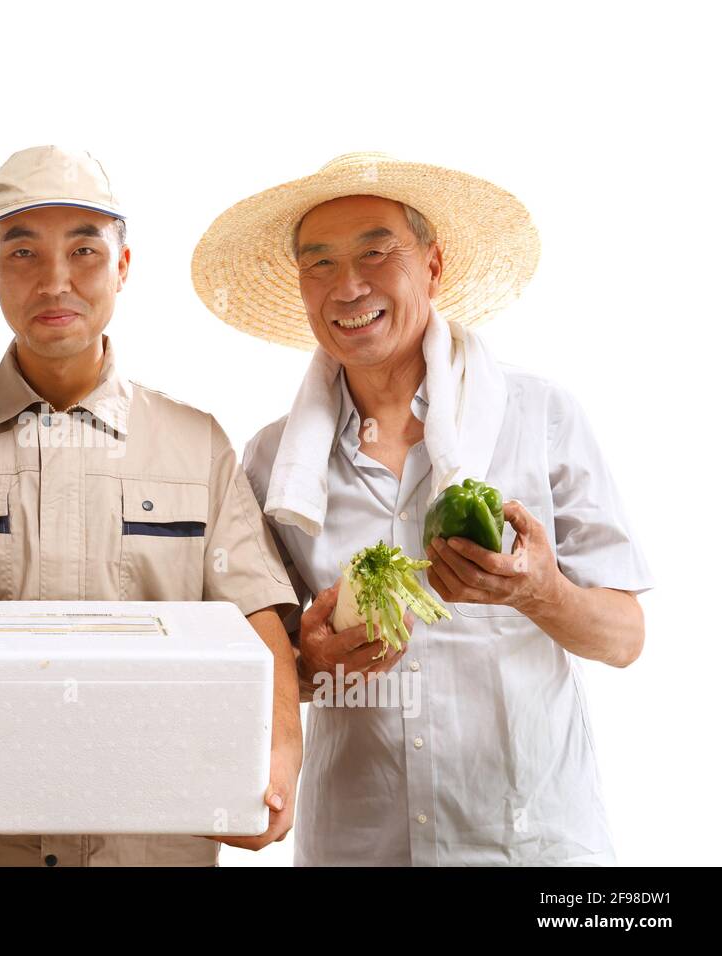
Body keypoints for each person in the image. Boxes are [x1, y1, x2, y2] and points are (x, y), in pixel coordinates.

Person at [0, 146, 302, 866]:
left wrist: (281, 760)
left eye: (84, 249)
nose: (55, 281)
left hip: (156, 847)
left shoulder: (197, 445)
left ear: (124, 265)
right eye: (23, 253)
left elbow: (256, 616)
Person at [192, 152, 653, 865]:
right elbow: (264, 668)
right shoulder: (270, 463)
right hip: (362, 845)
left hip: (529, 844)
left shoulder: (541, 417)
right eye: (320, 264)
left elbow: (625, 638)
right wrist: (312, 661)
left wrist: (542, 592)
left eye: (377, 252)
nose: (348, 286)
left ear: (433, 268)